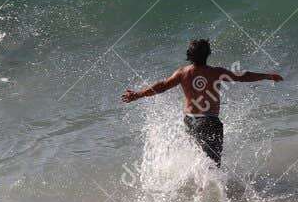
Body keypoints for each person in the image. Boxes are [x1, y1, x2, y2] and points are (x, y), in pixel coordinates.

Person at [119, 39, 283, 166]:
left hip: (190, 120)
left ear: (189, 55)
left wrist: (139, 94)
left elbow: (162, 86)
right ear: (208, 54)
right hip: (208, 121)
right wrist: (267, 76)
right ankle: (211, 200)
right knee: (213, 164)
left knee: (200, 158)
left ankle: (200, 193)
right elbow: (243, 76)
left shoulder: (182, 73)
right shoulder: (217, 73)